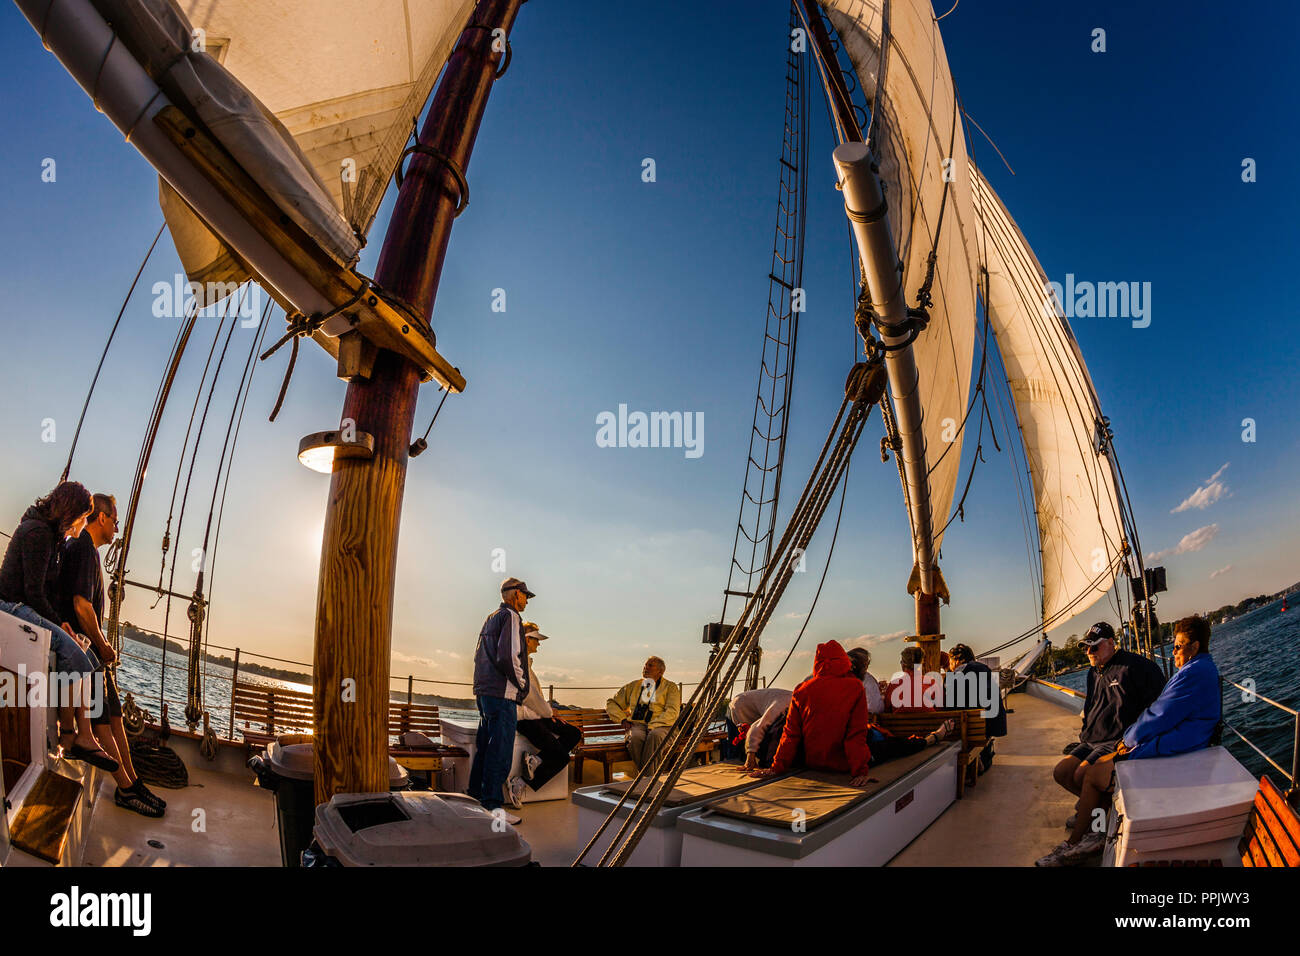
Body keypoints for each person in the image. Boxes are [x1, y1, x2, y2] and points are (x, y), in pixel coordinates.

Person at [1036, 615, 1219, 867]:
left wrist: (1130, 740)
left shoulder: (1191, 673)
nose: (1173, 650)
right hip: (1165, 744)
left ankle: (1076, 842)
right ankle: (1096, 820)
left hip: (1168, 749)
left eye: (1178, 645)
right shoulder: (1198, 669)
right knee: (1074, 773)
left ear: (1194, 647)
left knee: (1090, 776)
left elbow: (1160, 713)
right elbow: (1163, 713)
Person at [57, 493, 165, 817]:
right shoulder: (84, 551)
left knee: (116, 715)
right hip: (85, 653)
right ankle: (126, 789)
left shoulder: (89, 553)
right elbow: (81, 606)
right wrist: (103, 645)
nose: (117, 528)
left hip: (95, 656)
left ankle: (134, 780)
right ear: (101, 518)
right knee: (102, 719)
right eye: (115, 521)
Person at [0, 481, 117, 772]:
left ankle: (84, 735)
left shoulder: (51, 537)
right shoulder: (38, 533)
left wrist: (60, 623)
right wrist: (59, 625)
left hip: (26, 605)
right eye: (82, 516)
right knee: (74, 654)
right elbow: (32, 592)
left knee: (88, 657)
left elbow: (42, 594)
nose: (82, 523)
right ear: (72, 512)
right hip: (10, 606)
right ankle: (70, 736)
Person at [1049, 621, 1165, 820]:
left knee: (1081, 775)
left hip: (1114, 740)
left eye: (1094, 647)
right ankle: (1095, 807)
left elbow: (1158, 705)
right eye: (1086, 647)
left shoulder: (1135, 668)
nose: (1088, 652)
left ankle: (1096, 820)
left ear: (1111, 643)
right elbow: (1090, 706)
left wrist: (1136, 739)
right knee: (1061, 772)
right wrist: (1086, 731)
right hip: (1091, 739)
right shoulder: (1093, 672)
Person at [752, 640, 873, 786]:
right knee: (886, 744)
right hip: (843, 765)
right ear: (843, 660)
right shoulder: (855, 687)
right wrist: (860, 771)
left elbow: (790, 734)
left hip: (813, 762)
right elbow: (856, 735)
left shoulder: (801, 690)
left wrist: (777, 767)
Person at [468, 577, 534, 822]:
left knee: (485, 747)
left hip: (485, 693)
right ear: (515, 594)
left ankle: (475, 799)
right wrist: (523, 686)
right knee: (500, 750)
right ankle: (493, 807)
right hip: (503, 694)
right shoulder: (511, 617)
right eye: (525, 595)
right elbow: (509, 656)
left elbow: (480, 657)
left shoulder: (491, 617)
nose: (526, 600)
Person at [507, 622, 581, 808]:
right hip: (525, 719)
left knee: (573, 734)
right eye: (536, 640)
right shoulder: (519, 663)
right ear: (526, 639)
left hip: (538, 715)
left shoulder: (527, 663)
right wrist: (549, 712)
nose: (538, 644)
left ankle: (536, 760)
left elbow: (535, 697)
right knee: (562, 757)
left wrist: (548, 713)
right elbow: (530, 696)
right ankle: (519, 783)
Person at [606, 656, 680, 769]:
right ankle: (649, 777)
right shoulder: (633, 686)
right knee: (635, 737)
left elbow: (672, 712)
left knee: (655, 736)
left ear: (660, 671)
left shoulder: (671, 687)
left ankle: (645, 778)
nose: (646, 667)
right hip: (638, 725)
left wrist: (653, 725)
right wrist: (622, 719)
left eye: (650, 665)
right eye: (645, 665)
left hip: (663, 726)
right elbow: (611, 703)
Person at [946, 643, 1007, 770]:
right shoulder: (984, 670)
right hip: (990, 726)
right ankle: (979, 758)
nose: (950, 665)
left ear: (959, 659)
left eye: (951, 661)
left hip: (969, 728)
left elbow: (949, 703)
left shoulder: (958, 673)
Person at [728, 686, 793, 770]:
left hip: (755, 706)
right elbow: (756, 728)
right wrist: (750, 756)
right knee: (737, 750)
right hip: (738, 707)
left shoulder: (793, 702)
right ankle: (743, 761)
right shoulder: (780, 707)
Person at [884, 646, 938, 713]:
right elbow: (939, 708)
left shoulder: (894, 685)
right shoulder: (931, 683)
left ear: (903, 665)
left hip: (900, 723)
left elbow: (886, 709)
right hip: (930, 722)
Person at [845, 647, 885, 714]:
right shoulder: (867, 679)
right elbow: (875, 708)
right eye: (867, 663)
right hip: (864, 721)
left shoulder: (839, 677)